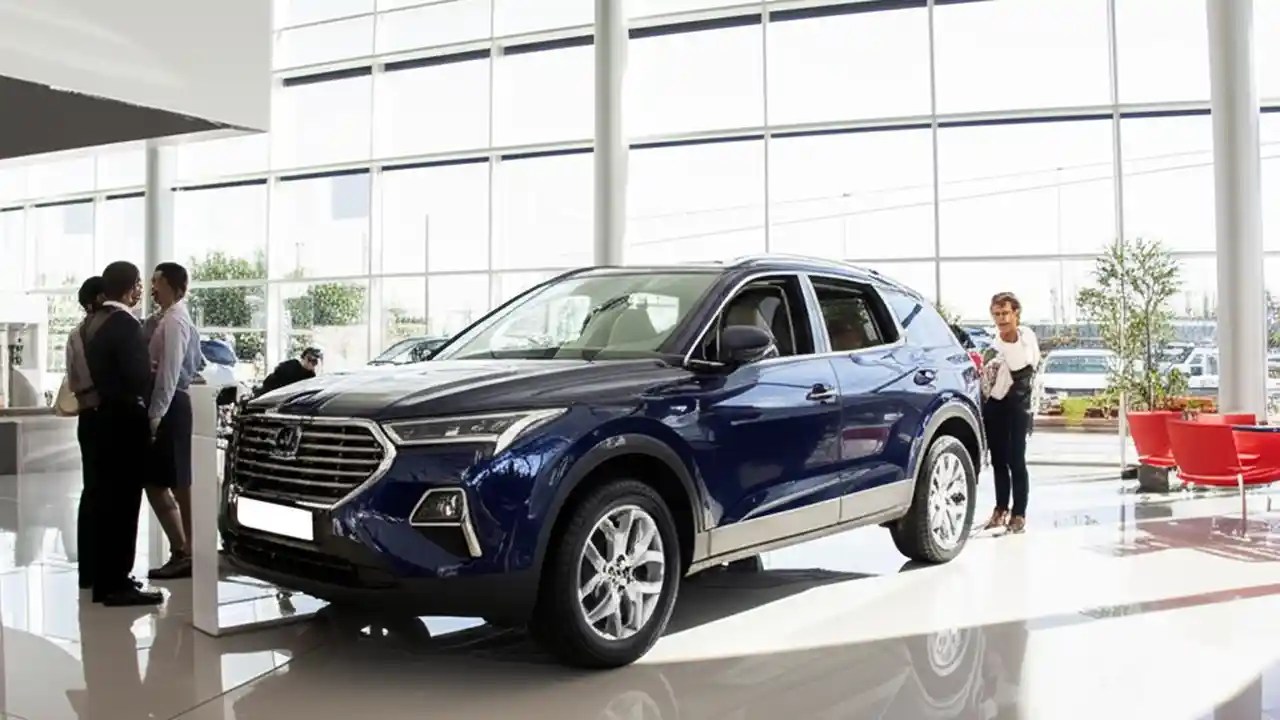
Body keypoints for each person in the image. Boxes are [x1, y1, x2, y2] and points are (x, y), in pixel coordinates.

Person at [84, 261, 163, 606]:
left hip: (100, 418)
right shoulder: (126, 324)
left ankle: (102, 578)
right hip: (124, 420)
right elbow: (135, 378)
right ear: (132, 288)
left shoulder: (94, 322)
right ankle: (118, 583)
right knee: (125, 500)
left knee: (104, 500)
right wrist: (149, 371)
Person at [143, 262, 202, 580]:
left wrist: (155, 414)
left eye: (157, 282)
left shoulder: (176, 319)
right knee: (158, 482)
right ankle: (182, 548)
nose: (153, 287)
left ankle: (188, 551)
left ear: (174, 285)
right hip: (167, 404)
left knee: (178, 482)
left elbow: (169, 371)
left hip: (170, 405)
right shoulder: (167, 317)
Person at [981, 292, 1040, 535]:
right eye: (996, 314)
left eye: (1005, 313)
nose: (1001, 319)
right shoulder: (994, 341)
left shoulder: (1025, 336)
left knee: (1016, 459)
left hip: (1019, 404)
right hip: (995, 404)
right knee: (998, 460)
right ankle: (1001, 508)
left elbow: (1022, 365)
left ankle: (1019, 514)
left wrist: (1008, 340)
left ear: (1016, 313)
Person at [66, 276, 105, 590]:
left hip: (86, 416)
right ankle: (101, 570)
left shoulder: (76, 333)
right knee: (102, 493)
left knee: (91, 490)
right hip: (100, 414)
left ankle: (88, 571)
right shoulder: (95, 333)